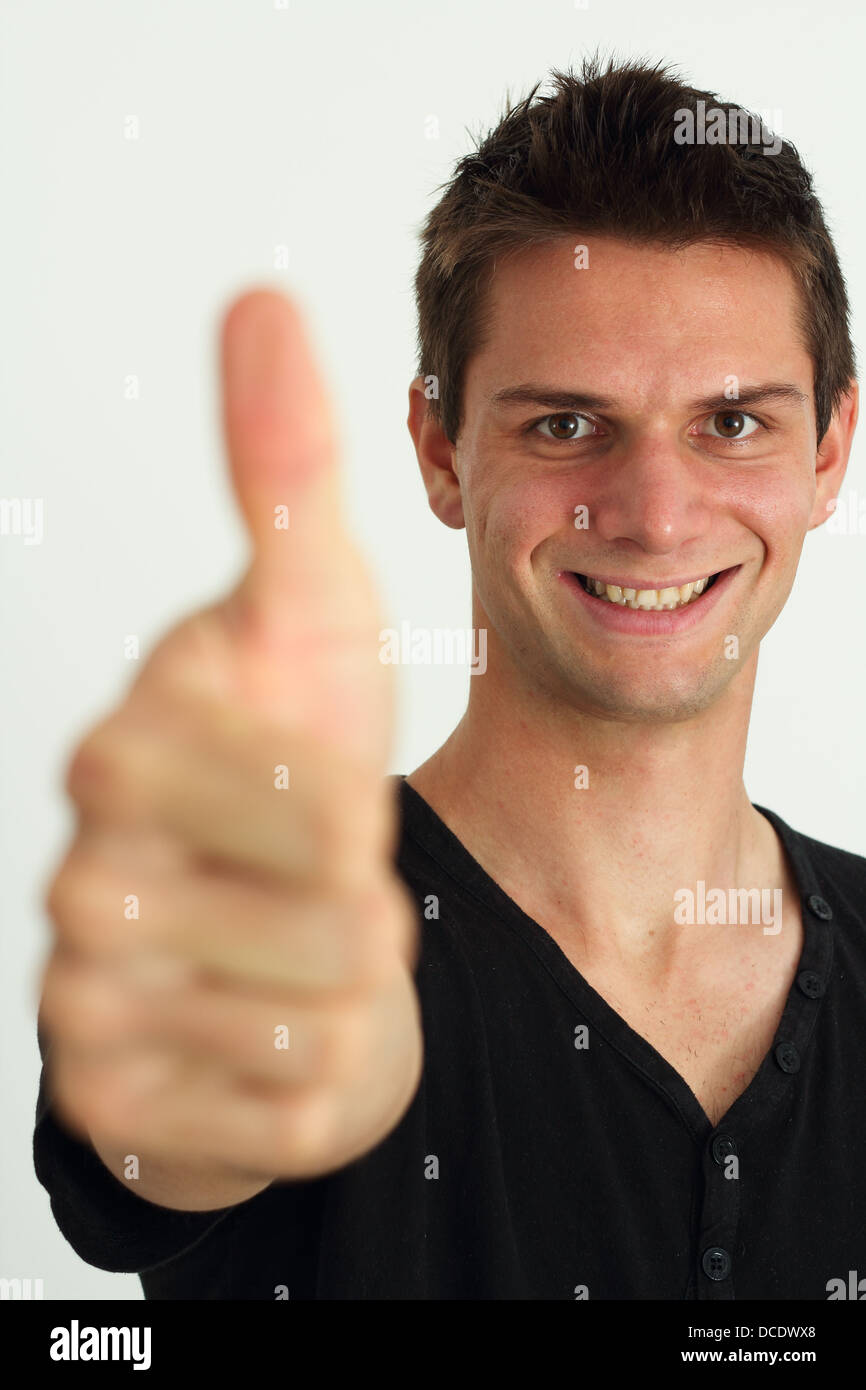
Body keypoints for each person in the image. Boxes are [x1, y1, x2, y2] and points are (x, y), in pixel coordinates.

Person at [33, 55, 865, 1301]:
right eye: (565, 424)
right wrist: (240, 1072)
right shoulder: (277, 919)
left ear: (827, 450)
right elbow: (165, 1134)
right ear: (437, 449)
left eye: (731, 423)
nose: (651, 513)